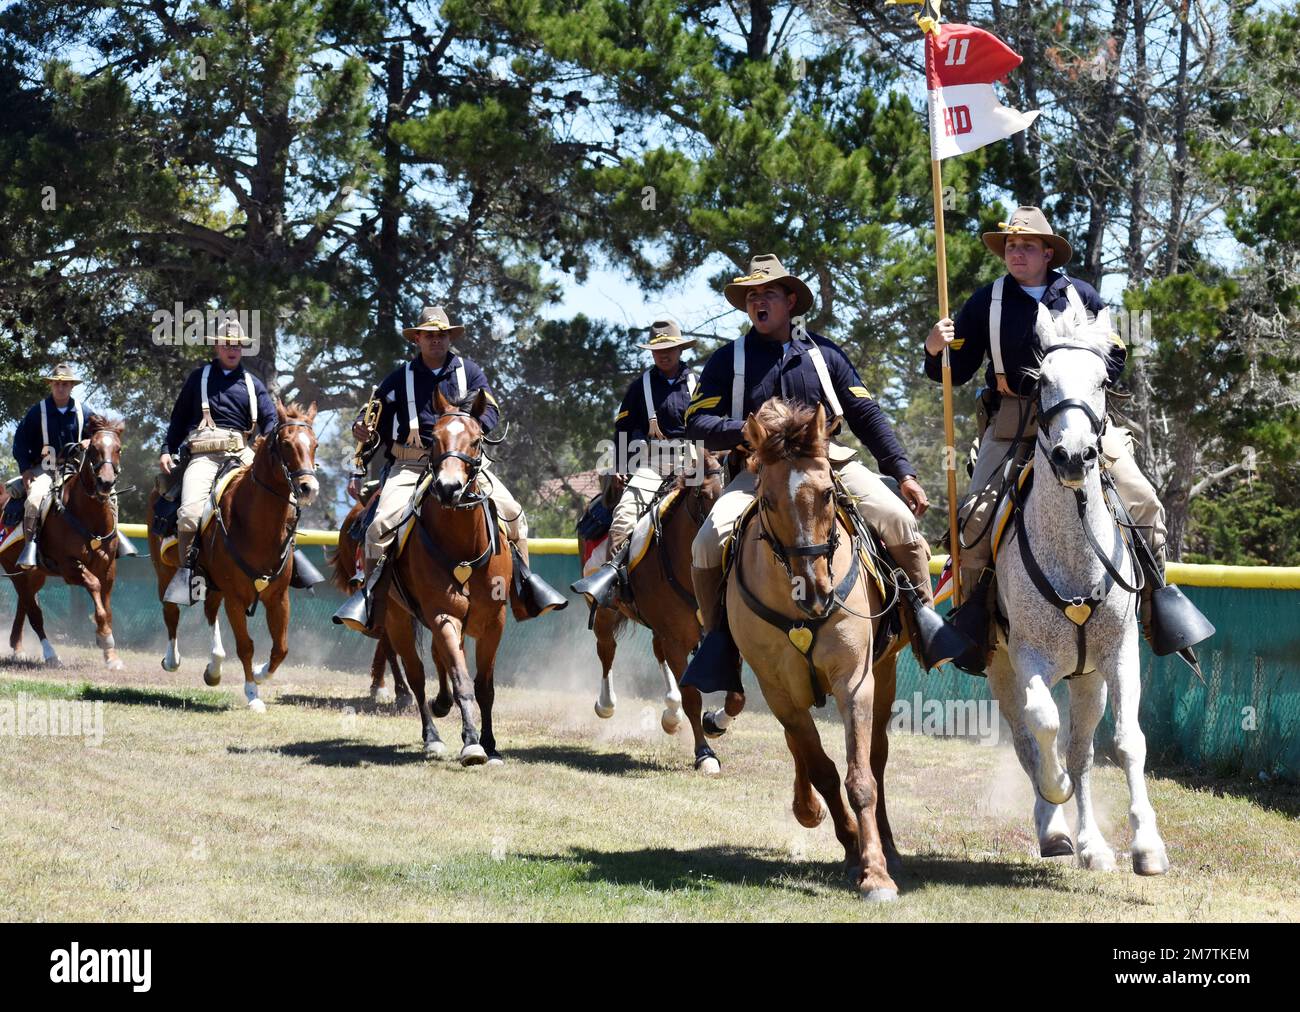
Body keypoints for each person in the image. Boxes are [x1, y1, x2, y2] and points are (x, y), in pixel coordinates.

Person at [683, 253, 950, 695]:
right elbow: (695, 423)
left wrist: (903, 472)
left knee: (900, 520)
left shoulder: (824, 354)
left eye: (767, 293)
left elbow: (866, 414)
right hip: (758, 472)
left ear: (790, 300)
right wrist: (749, 430)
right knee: (707, 541)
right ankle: (718, 646)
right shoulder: (725, 362)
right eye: (751, 296)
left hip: (829, 464)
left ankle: (924, 624)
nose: (758, 302)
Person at [925, 205, 1167, 659]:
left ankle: (1158, 605)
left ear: (1048, 253)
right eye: (1011, 246)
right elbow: (955, 372)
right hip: (1013, 418)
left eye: (1027, 246)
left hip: (1079, 416)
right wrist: (934, 347)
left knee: (1144, 500)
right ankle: (975, 624)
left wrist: (1078, 370)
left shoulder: (1085, 296)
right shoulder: (985, 301)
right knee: (973, 523)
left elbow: (1116, 358)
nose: (1016, 253)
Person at [334, 305, 567, 631]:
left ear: (449, 338)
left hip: (464, 465)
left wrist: (474, 429)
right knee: (378, 527)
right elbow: (370, 414)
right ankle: (372, 600)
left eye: (441, 335)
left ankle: (523, 591)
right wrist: (362, 427)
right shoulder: (398, 377)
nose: (435, 341)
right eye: (429, 335)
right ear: (417, 338)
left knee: (514, 513)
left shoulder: (469, 372)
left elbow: (491, 408)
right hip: (411, 465)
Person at [571, 319, 698, 608]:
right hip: (653, 463)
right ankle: (617, 584)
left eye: (669, 348)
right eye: (657, 349)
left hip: (695, 460)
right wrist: (619, 463)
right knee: (624, 517)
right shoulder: (640, 387)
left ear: (679, 349)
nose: (663, 354)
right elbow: (623, 431)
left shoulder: (698, 383)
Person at [159, 319, 276, 604]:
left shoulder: (253, 383)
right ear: (216, 346)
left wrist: (270, 441)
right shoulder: (198, 378)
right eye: (227, 344)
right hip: (203, 455)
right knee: (189, 513)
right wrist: (165, 449)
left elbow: (271, 419)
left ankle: (288, 564)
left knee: (280, 496)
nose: (232, 349)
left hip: (242, 454)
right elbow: (178, 420)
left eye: (237, 344)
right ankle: (187, 575)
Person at [12, 363, 104, 569]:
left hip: (76, 470)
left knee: (109, 495)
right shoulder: (38, 411)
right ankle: (30, 548)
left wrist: (91, 440)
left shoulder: (84, 411)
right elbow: (20, 442)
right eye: (56, 384)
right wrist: (25, 469)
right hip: (45, 469)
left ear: (72, 386)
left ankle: (114, 541)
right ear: (51, 385)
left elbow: (100, 432)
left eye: (65, 384)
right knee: (35, 500)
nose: (60, 388)